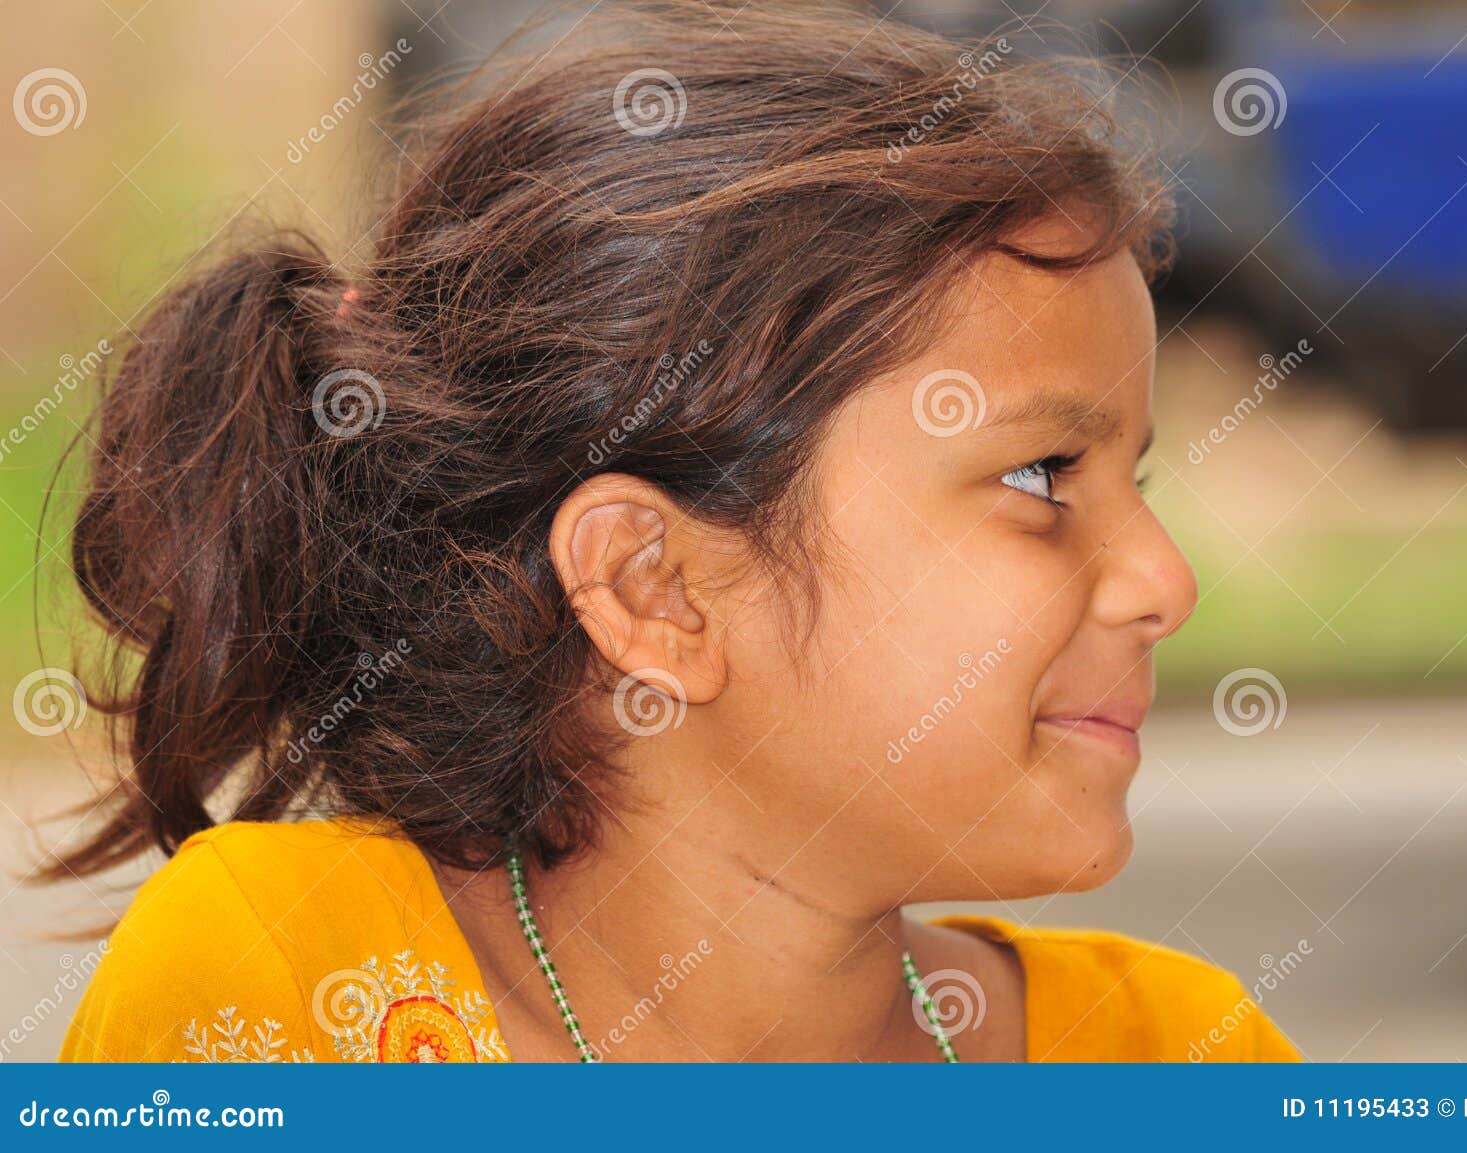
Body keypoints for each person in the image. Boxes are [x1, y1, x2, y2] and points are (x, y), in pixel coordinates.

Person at [51, 0, 1299, 1063]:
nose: (1162, 581)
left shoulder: (1179, 1053)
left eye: (1138, 478)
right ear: (653, 589)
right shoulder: (283, 987)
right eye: (1040, 473)